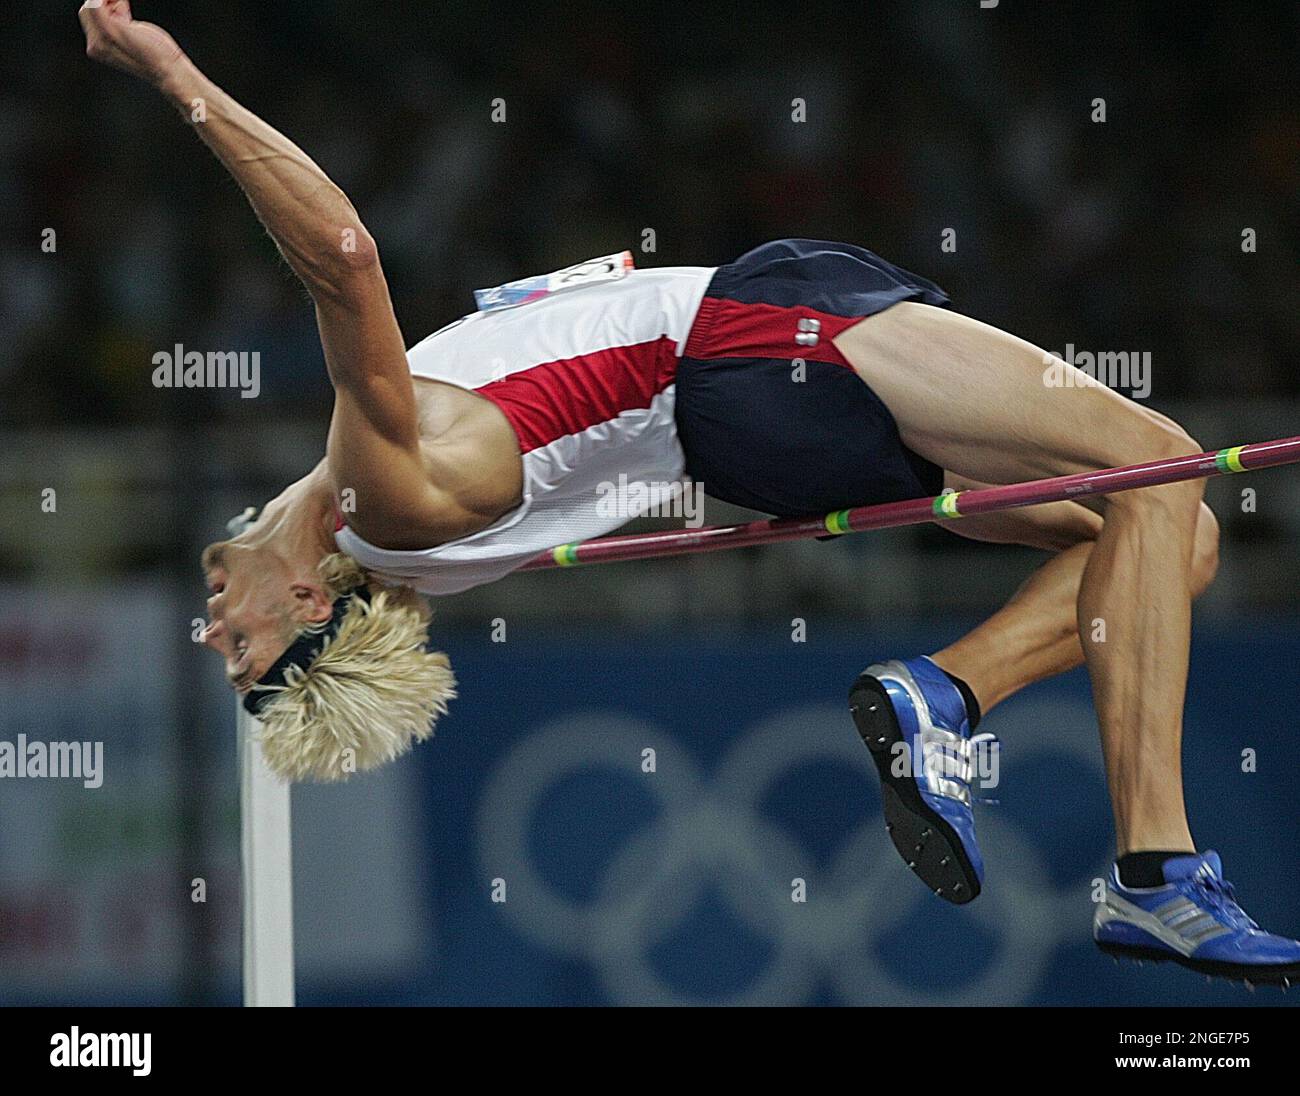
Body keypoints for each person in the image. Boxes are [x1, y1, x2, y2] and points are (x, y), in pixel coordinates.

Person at [79, 1, 1300, 985]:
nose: (211, 630)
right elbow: (343, 255)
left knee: (1168, 532)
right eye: (242, 652)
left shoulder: (383, 533)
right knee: (1168, 458)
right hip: (752, 353)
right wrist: (176, 73)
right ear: (308, 597)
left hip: (751, 426)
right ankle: (1154, 871)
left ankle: (949, 695)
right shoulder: (382, 492)